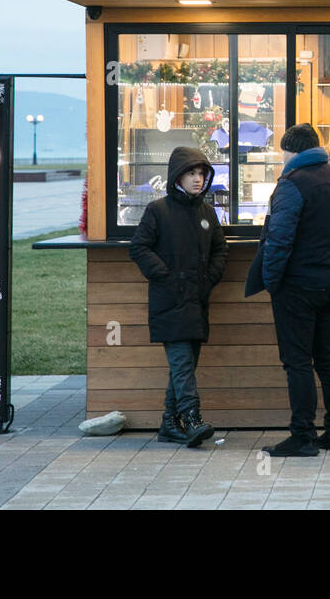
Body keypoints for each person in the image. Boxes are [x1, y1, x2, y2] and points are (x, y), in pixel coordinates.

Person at [256, 124, 330, 457]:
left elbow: (279, 239)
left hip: (298, 285)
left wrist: (272, 281)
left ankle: (303, 436)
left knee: (297, 362)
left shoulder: (292, 183)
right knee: (329, 359)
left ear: (291, 151)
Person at [128, 146, 227, 447]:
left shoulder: (207, 212)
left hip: (197, 300)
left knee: (185, 365)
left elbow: (220, 249)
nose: (198, 179)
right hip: (170, 301)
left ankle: (170, 424)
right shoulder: (158, 210)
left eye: (202, 174)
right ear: (177, 177)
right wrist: (165, 276)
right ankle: (192, 419)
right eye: (191, 173)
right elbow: (139, 247)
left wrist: (210, 278)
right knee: (182, 364)